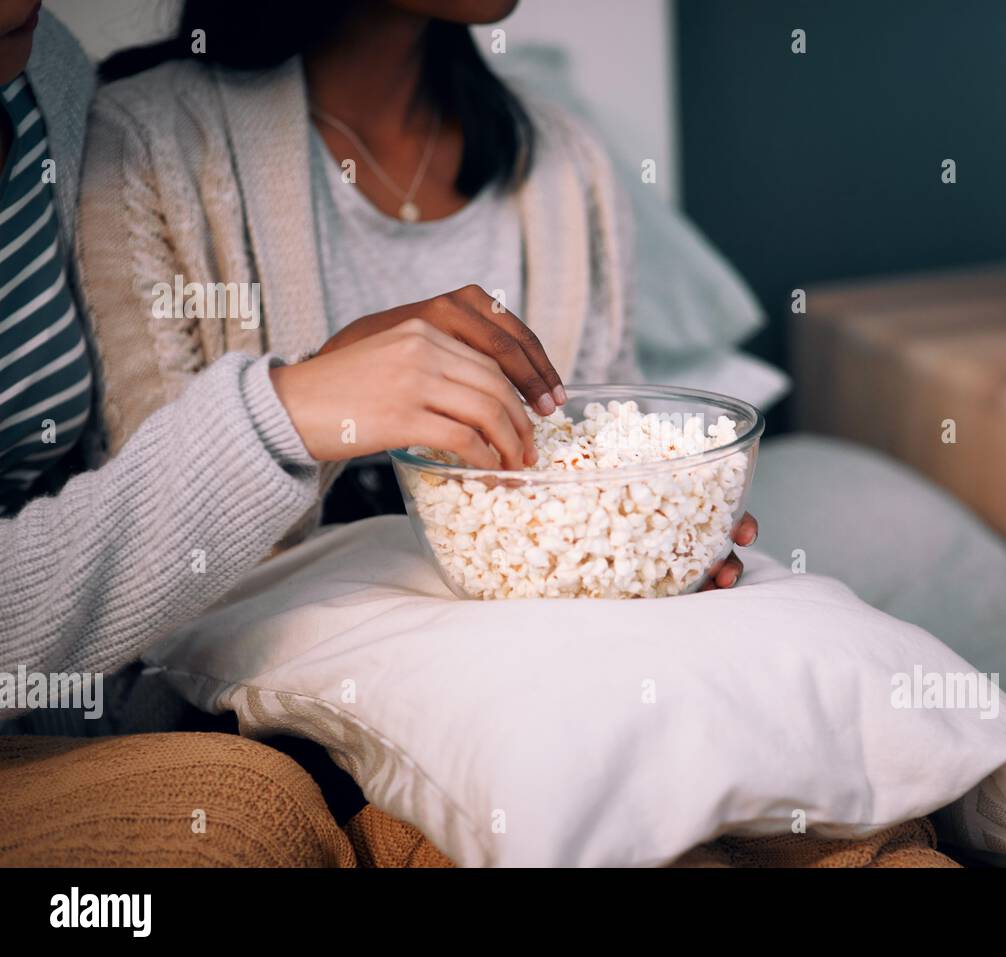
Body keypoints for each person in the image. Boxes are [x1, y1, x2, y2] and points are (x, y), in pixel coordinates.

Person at [0, 4, 594, 732]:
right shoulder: (143, 139)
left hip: (542, 682)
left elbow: (592, 459)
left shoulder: (568, 164)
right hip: (277, 725)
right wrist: (295, 407)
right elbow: (159, 600)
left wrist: (657, 537)